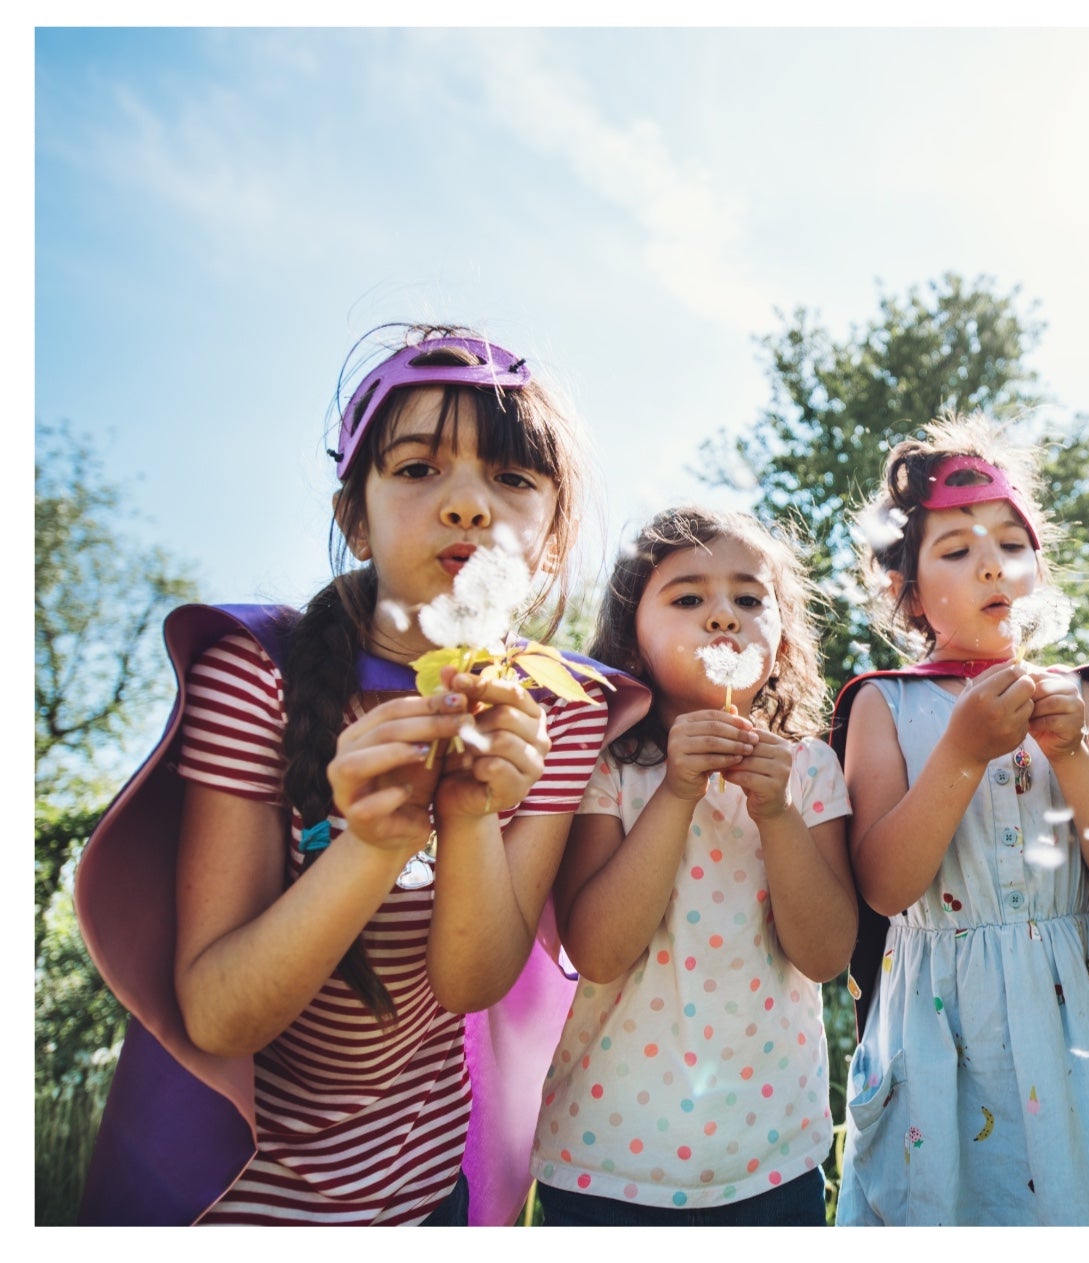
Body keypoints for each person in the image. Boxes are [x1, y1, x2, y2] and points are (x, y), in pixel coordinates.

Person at [74, 326, 649, 1225]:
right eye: (418, 468)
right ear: (356, 519)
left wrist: (468, 817)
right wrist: (374, 845)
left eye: (512, 477)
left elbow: (470, 984)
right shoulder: (257, 674)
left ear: (552, 535)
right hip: (239, 1202)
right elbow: (220, 1016)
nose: (468, 505)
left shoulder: (559, 711)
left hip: (423, 1190)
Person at [831, 414, 1089, 1226]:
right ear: (907, 590)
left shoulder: (1080, 699)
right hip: (939, 1034)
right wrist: (960, 753)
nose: (990, 563)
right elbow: (885, 887)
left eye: (1009, 543)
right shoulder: (884, 704)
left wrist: (1072, 755)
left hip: (1067, 1027)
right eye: (956, 549)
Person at [530, 507, 857, 1226]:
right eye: (687, 597)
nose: (722, 615)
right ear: (632, 639)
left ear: (783, 635)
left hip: (773, 1157)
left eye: (748, 597)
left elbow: (827, 954)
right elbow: (598, 951)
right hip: (609, 1161)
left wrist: (778, 814)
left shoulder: (807, 768)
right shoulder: (606, 765)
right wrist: (676, 790)